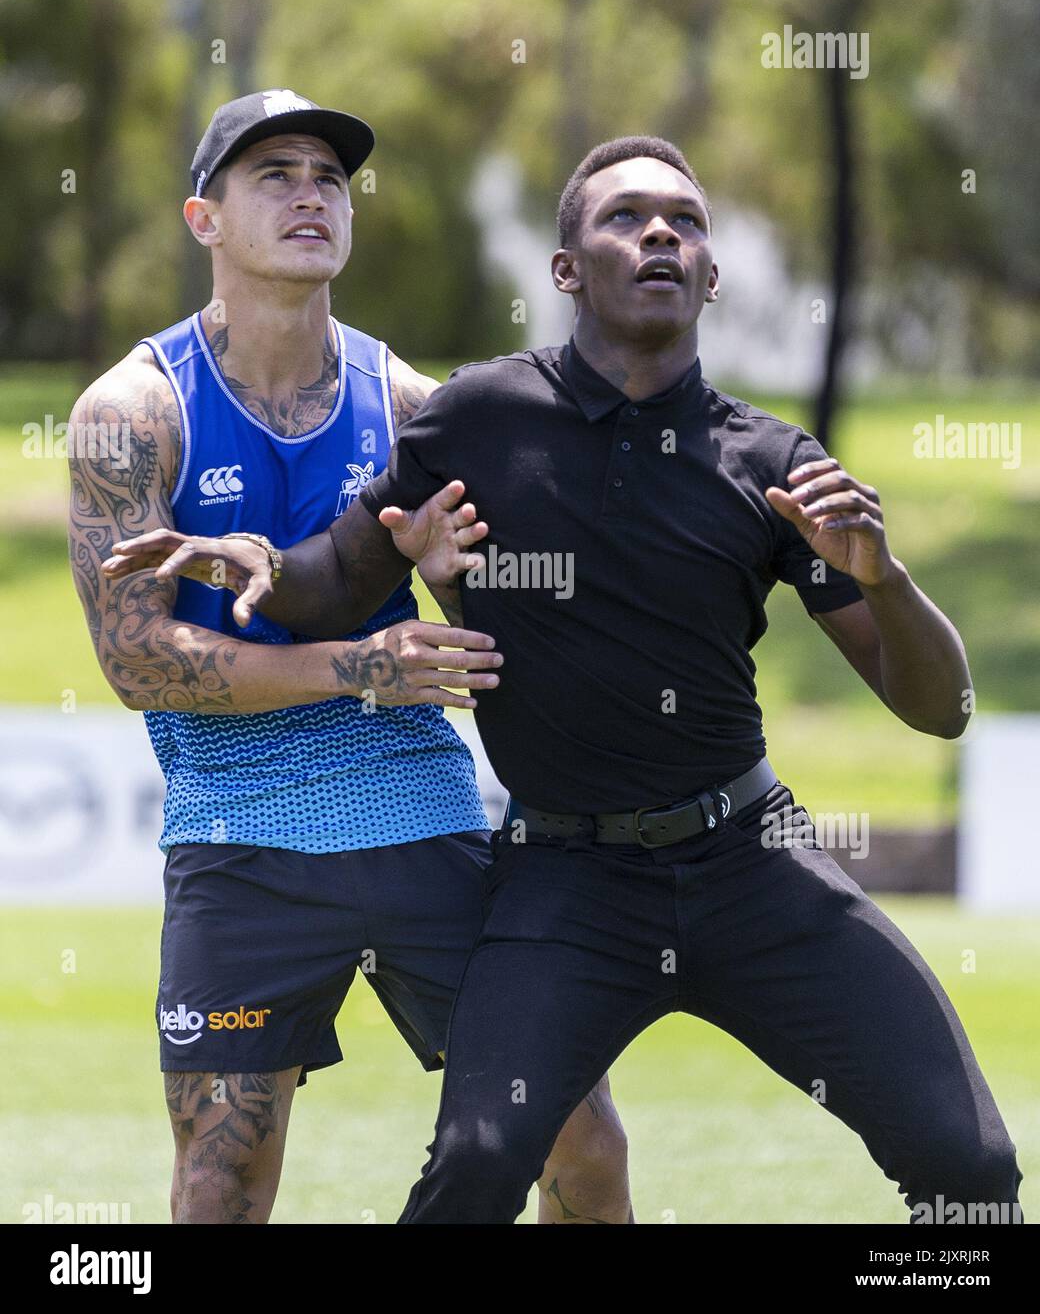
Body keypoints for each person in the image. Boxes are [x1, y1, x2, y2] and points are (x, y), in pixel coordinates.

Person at [108, 134, 1023, 1226]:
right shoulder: (474, 420)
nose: (659, 235)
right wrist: (266, 560)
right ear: (564, 271)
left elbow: (939, 707)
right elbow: (344, 576)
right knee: (475, 1175)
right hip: (565, 885)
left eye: (684, 222)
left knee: (969, 1171)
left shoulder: (775, 466)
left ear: (710, 275)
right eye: (625, 217)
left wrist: (887, 579)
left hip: (749, 862)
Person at [71, 90, 632, 1224]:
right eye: (272, 174)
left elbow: (503, 630)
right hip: (239, 841)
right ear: (203, 219)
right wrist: (355, 665)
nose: (310, 194)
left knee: (579, 1143)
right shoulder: (129, 413)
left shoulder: (412, 405)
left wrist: (450, 574)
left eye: (329, 177)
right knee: (221, 1181)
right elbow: (137, 662)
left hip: (425, 822)